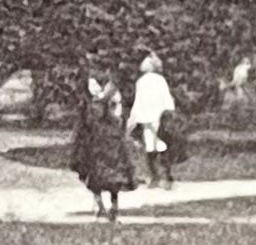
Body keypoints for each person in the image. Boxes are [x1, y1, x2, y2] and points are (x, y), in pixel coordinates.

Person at [68, 62, 137, 220]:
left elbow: (114, 116)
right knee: (100, 174)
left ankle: (107, 207)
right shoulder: (103, 94)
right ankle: (106, 207)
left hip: (104, 138)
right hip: (100, 138)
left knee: (104, 174)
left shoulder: (105, 95)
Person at [128, 51, 181, 188]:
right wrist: (170, 112)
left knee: (150, 146)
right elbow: (167, 98)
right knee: (162, 145)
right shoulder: (159, 80)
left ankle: (155, 177)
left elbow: (138, 101)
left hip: (147, 117)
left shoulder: (141, 82)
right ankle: (166, 176)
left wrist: (134, 118)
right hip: (159, 116)